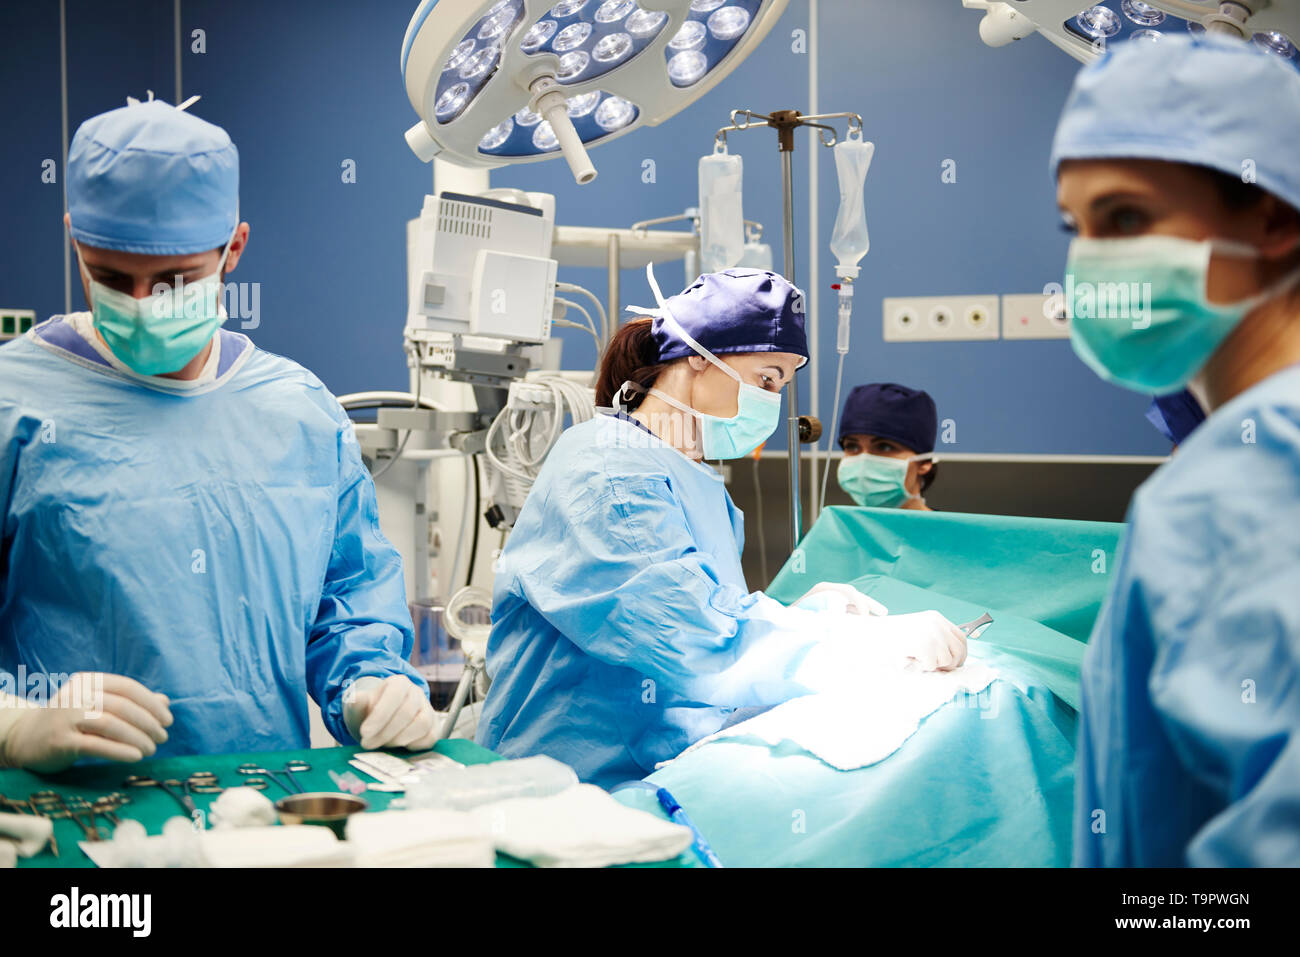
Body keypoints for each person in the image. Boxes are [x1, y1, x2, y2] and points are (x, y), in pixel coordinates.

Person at [0, 96, 436, 772]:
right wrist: (15, 722)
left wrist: (371, 688)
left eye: (173, 280)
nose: (142, 307)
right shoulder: (13, 404)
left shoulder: (300, 412)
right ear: (75, 242)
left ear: (233, 247)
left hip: (262, 808)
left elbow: (345, 604)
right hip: (66, 820)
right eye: (112, 279)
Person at [476, 266, 968, 788]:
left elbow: (706, 615)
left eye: (780, 386)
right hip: (567, 788)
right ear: (694, 356)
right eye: (765, 380)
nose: (771, 402)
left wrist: (805, 616)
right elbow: (691, 639)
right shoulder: (610, 472)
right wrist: (848, 643)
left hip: (655, 766)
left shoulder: (695, 481)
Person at [1052, 35, 1300, 865]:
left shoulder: (1250, 480)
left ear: (1273, 216)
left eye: (1126, 218)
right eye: (1075, 227)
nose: (1092, 262)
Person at [836, 383, 939, 509]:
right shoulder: (833, 527)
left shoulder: (951, 529)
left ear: (924, 462)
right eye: (852, 446)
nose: (864, 460)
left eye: (884, 447)